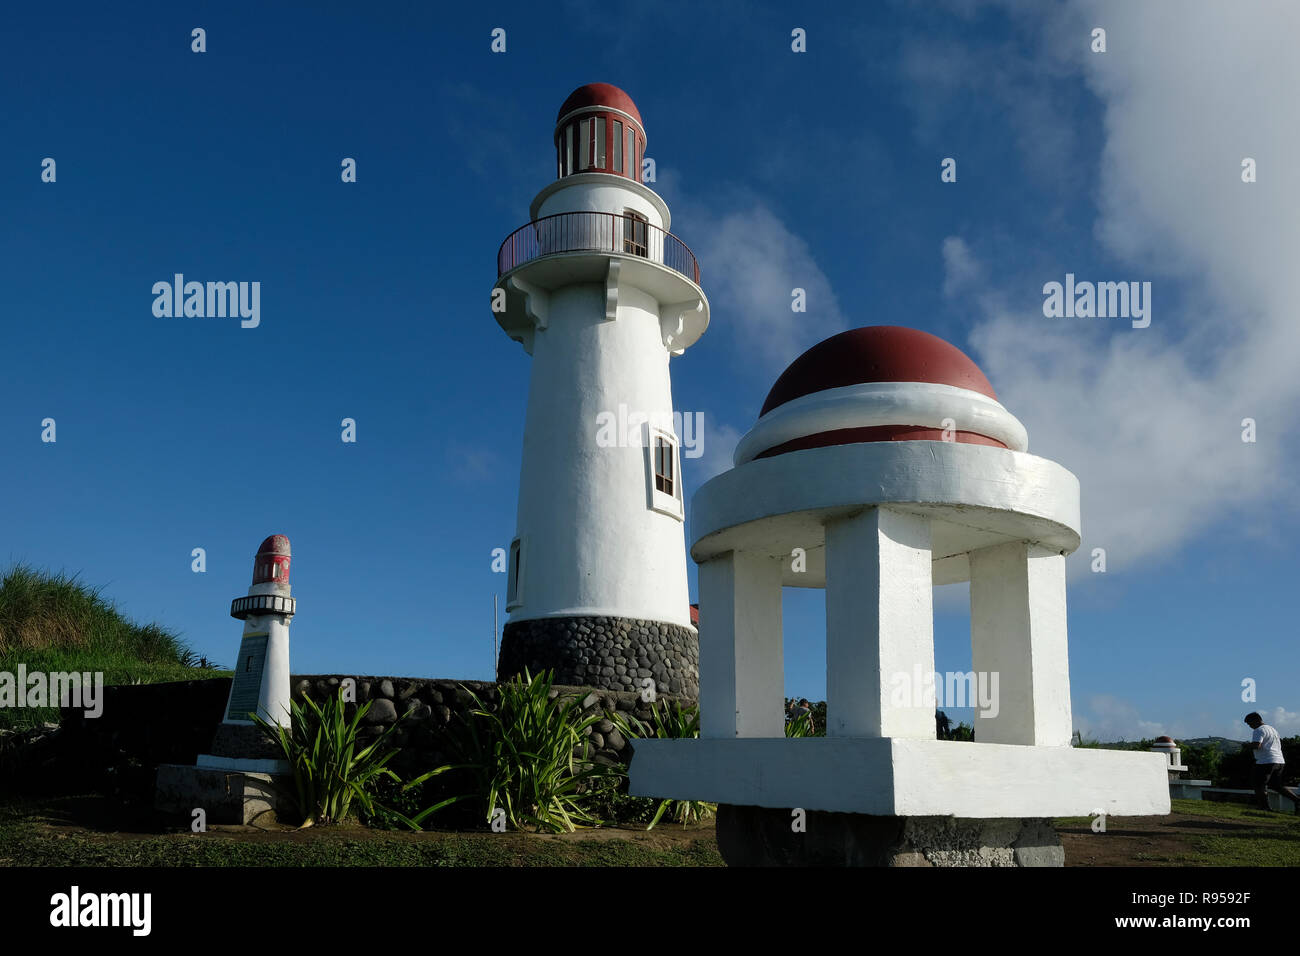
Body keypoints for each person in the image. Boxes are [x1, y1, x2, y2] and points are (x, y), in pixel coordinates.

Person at [1244, 712, 1300, 812]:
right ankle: (1297, 800)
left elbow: (1257, 745)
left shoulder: (1258, 730)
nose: (1250, 726)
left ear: (1256, 720)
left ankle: (1264, 807)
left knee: (1259, 784)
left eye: (1250, 723)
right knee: (1276, 785)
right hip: (1279, 761)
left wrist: (1246, 745)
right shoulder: (1273, 729)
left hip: (1266, 761)